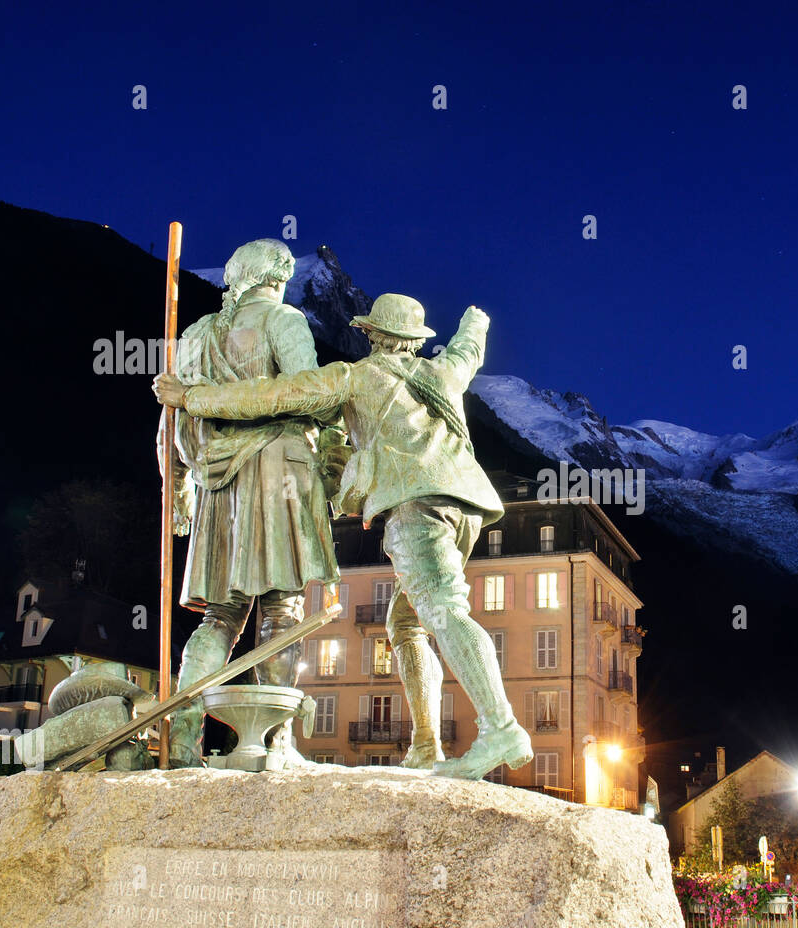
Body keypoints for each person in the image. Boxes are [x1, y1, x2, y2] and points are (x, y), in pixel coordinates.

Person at [154, 296, 532, 781]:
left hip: (417, 505)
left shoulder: (353, 378)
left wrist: (191, 398)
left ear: (372, 335)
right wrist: (477, 317)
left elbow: (272, 396)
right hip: (468, 510)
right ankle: (424, 743)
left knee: (443, 610)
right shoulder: (443, 374)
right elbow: (468, 350)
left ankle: (500, 728)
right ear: (415, 342)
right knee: (406, 621)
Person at [158, 238, 342, 768]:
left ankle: (183, 738)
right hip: (278, 468)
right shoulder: (283, 320)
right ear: (278, 278)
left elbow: (176, 422)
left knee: (220, 615)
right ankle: (275, 744)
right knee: (281, 608)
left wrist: (182, 487)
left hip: (218, 480)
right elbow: (308, 394)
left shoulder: (194, 335)